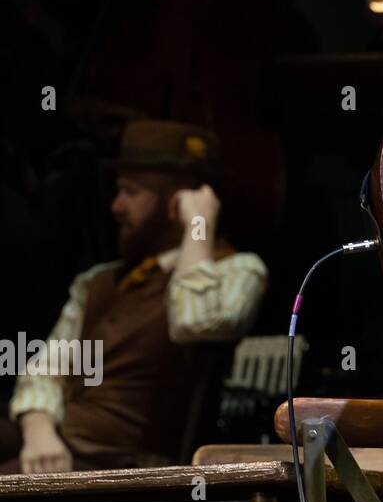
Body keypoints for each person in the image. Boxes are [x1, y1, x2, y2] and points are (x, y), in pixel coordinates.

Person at [0, 121, 268, 474]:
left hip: (126, 464)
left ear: (176, 201)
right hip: (56, 443)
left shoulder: (237, 270)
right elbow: (44, 370)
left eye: (130, 191)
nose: (116, 206)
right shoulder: (97, 281)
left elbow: (193, 321)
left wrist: (198, 225)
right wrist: (40, 432)